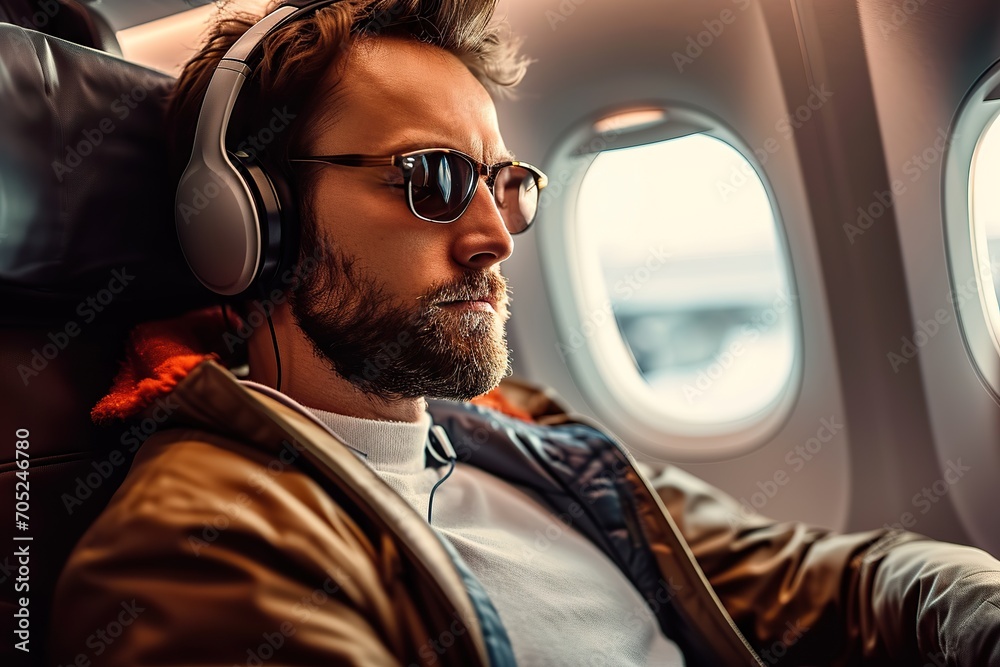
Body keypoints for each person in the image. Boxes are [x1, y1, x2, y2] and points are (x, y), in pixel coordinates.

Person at [50, 1, 1000, 666]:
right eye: (433, 181)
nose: (495, 235)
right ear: (252, 219)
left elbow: (805, 578)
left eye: (505, 183)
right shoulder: (202, 546)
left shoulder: (523, 436)